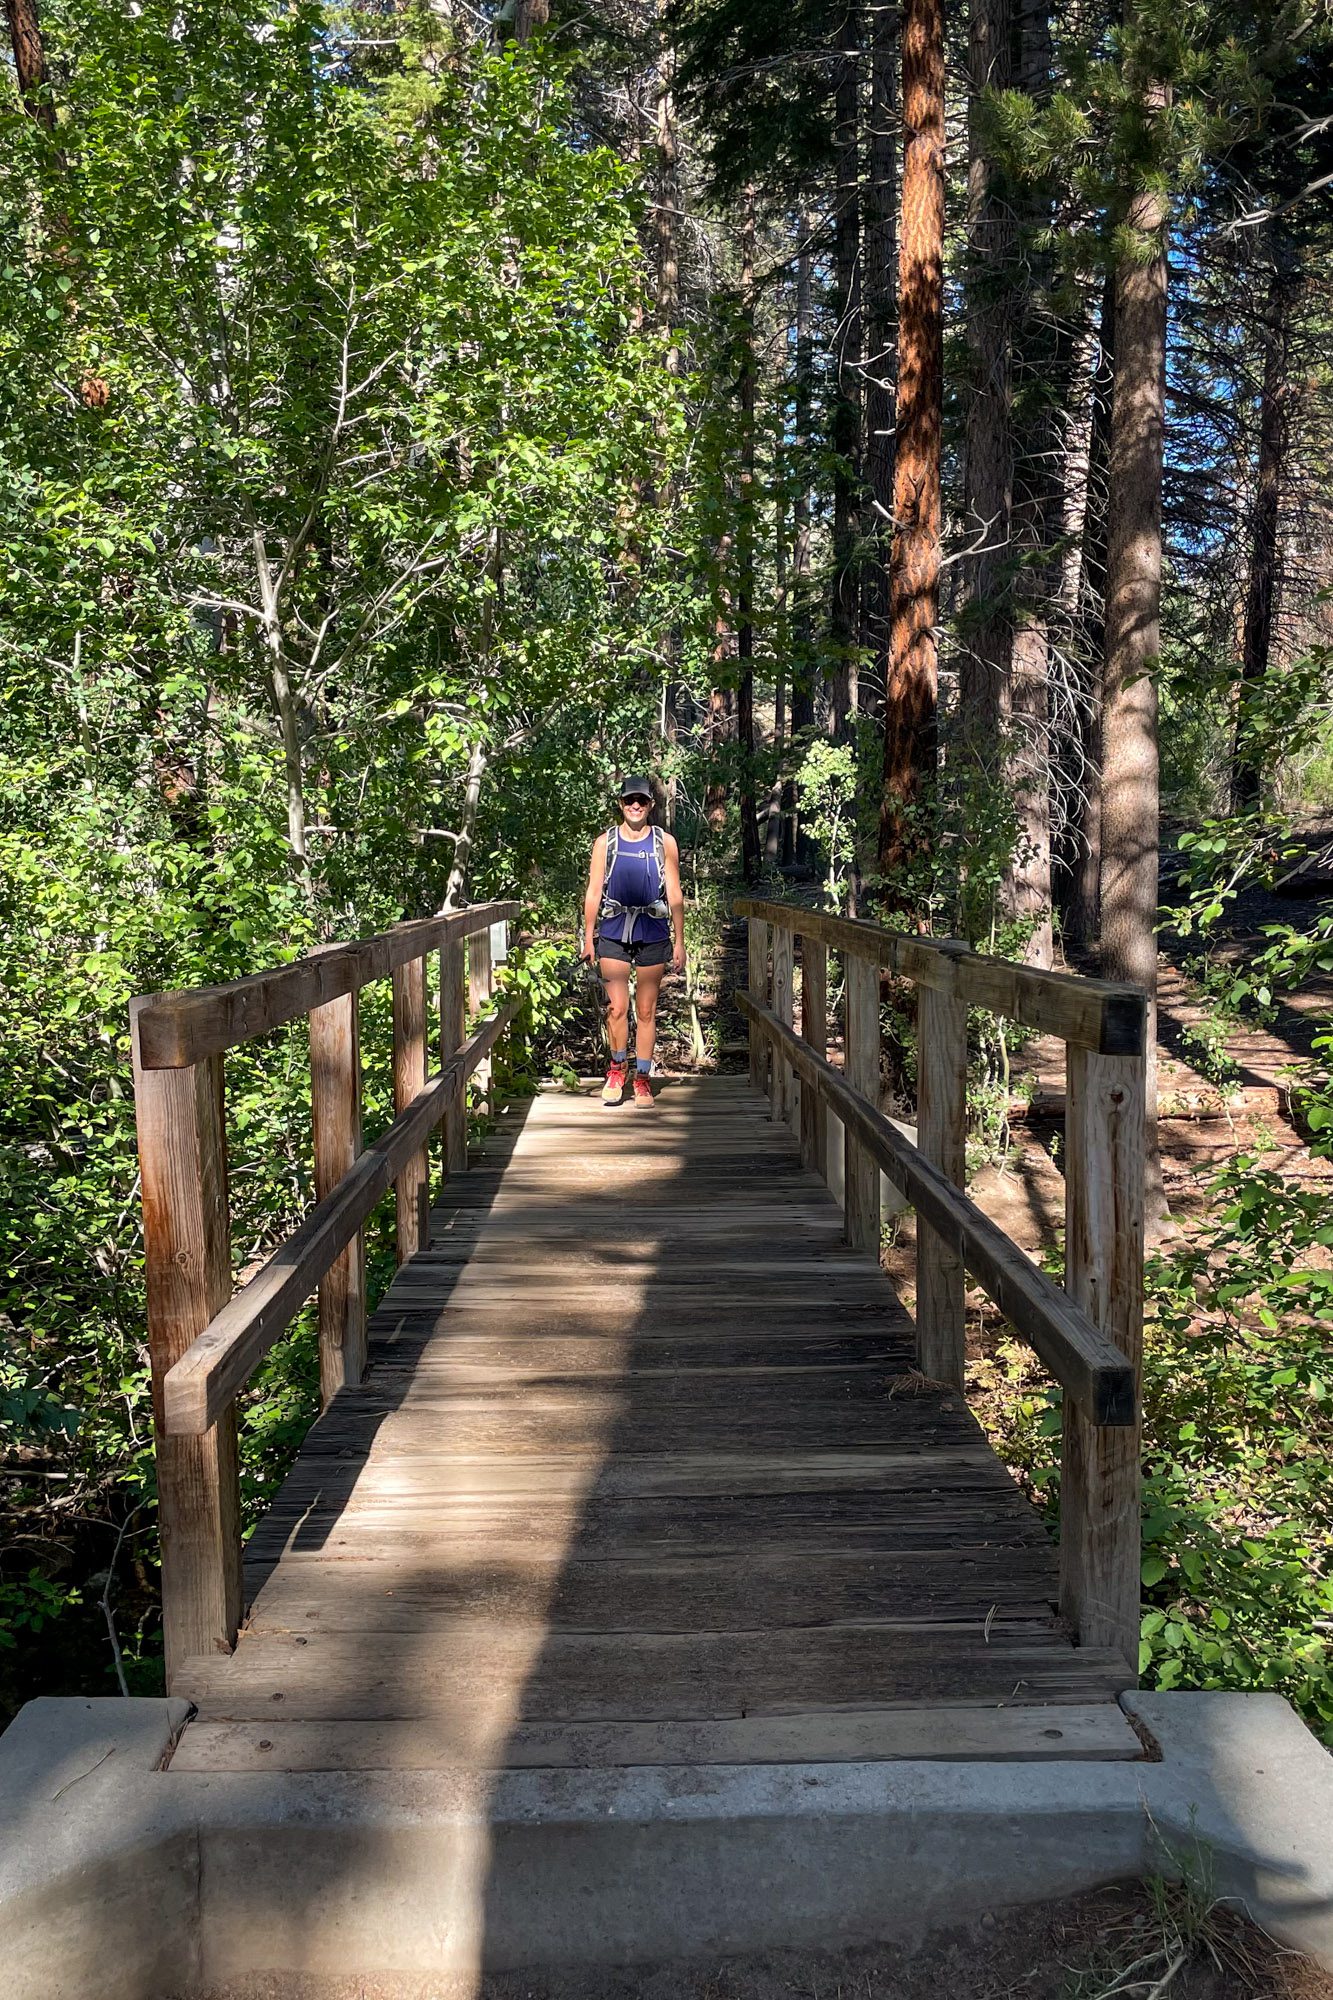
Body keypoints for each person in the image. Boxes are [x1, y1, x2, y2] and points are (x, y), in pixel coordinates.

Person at [582, 776, 685, 1106]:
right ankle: (616, 1070)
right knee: (616, 1008)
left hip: (652, 932)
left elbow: (674, 893)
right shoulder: (605, 843)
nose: (635, 806)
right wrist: (588, 937)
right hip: (612, 931)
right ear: (621, 804)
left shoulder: (664, 842)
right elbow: (594, 891)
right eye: (629, 801)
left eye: (641, 801)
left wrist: (680, 940)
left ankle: (642, 1078)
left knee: (645, 1009)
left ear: (651, 805)